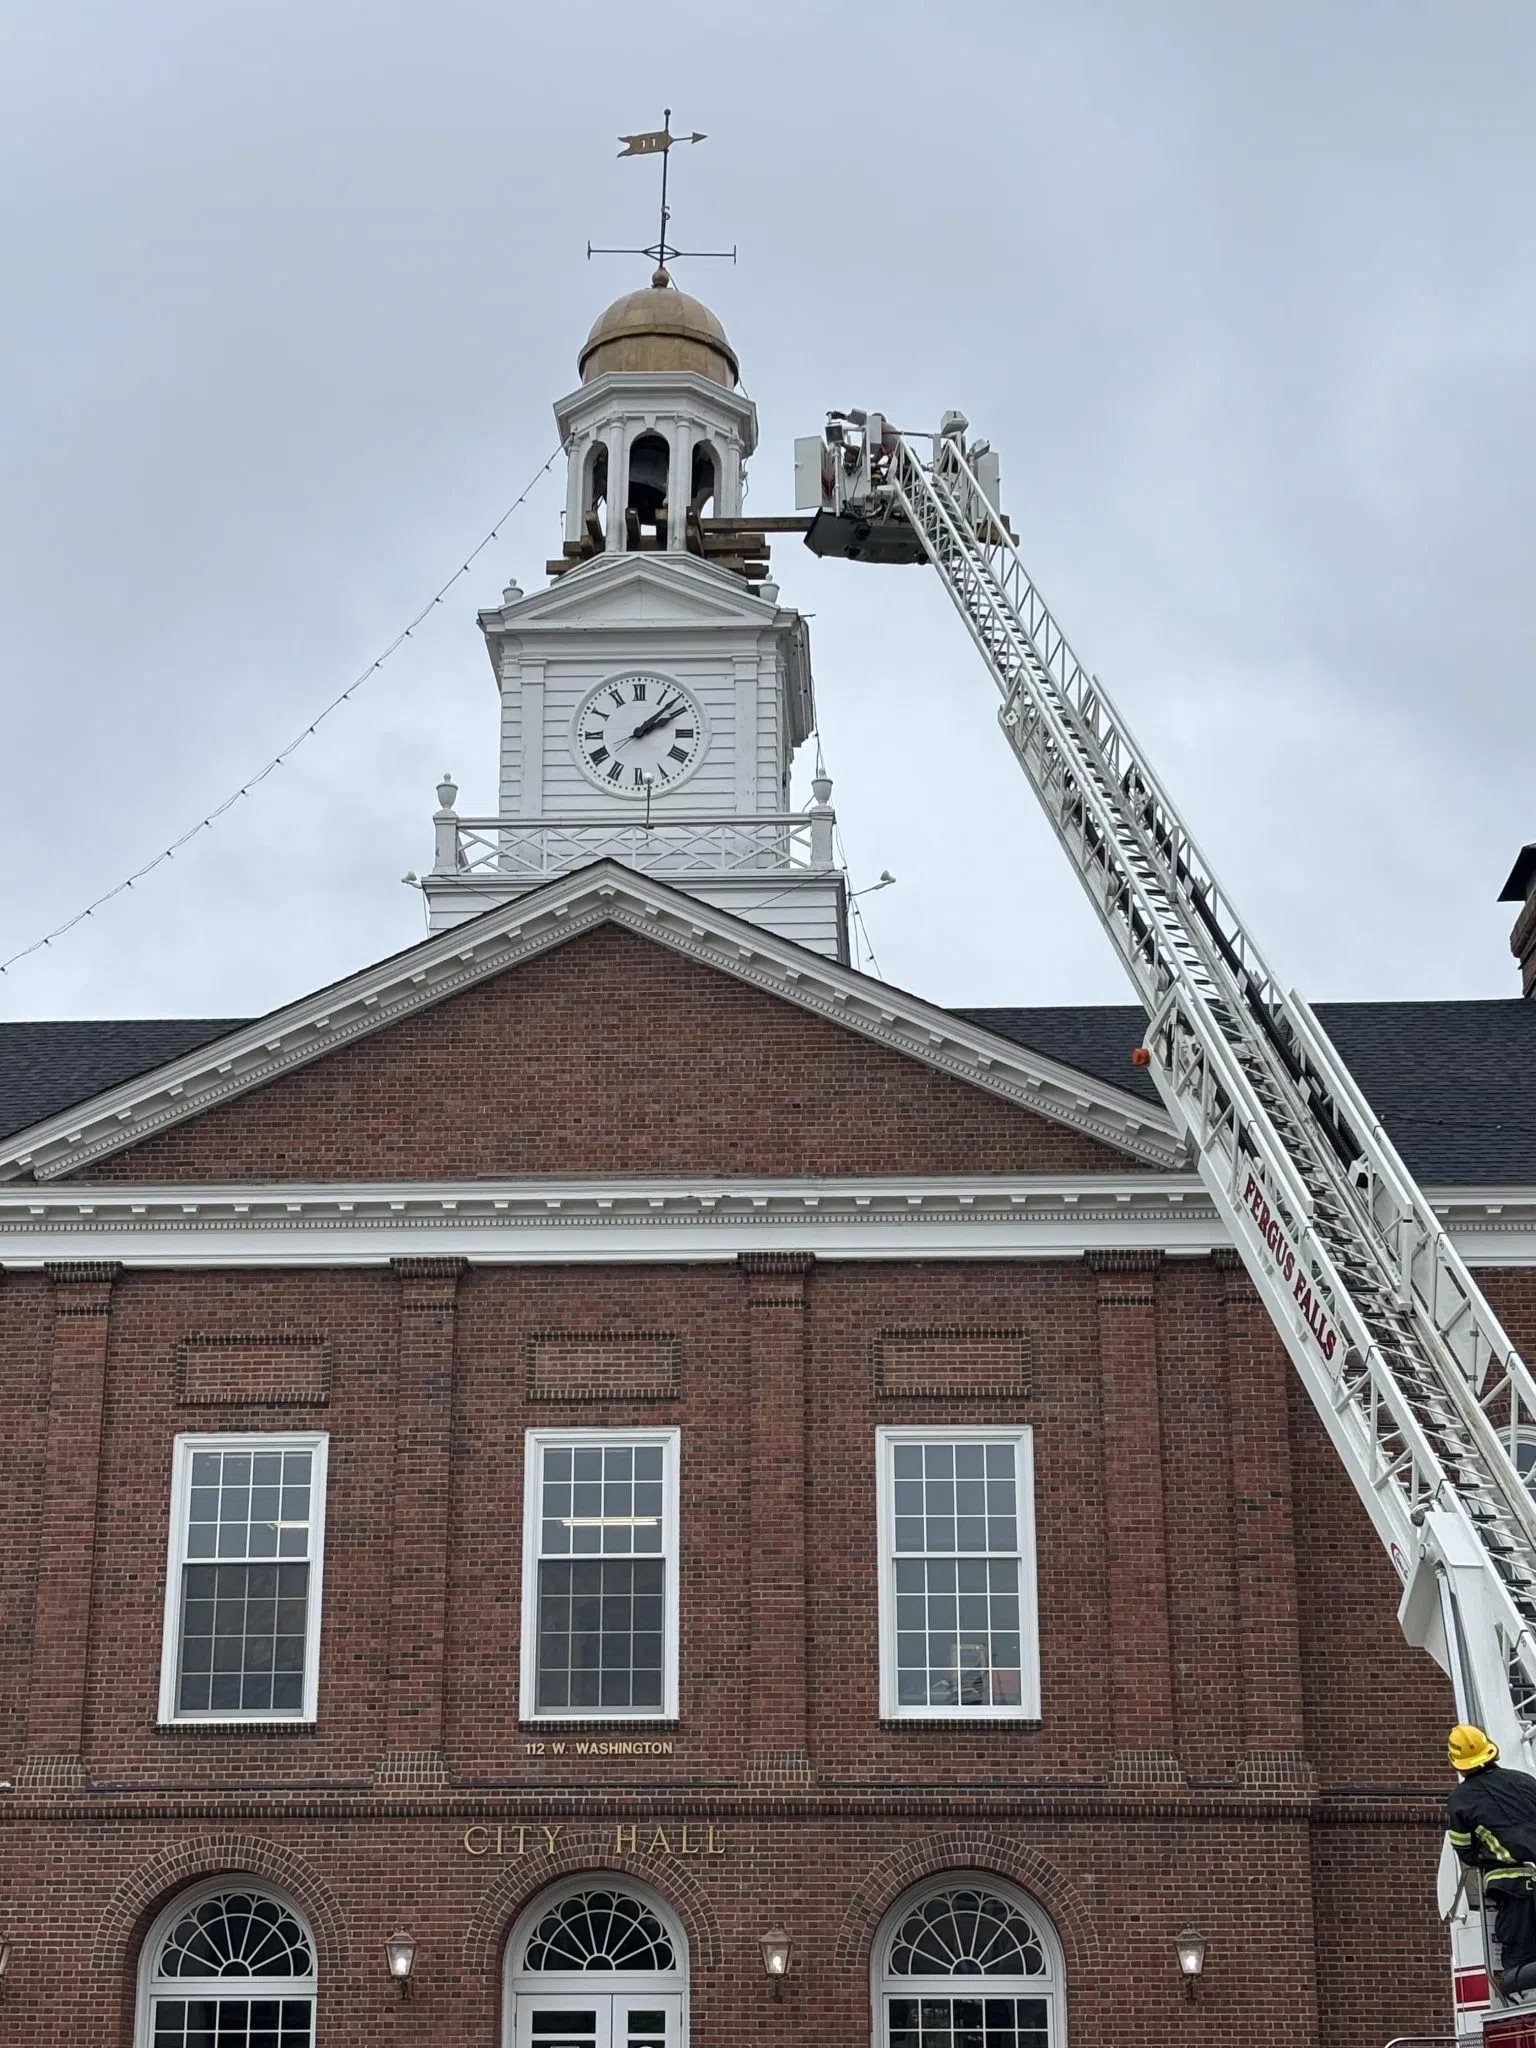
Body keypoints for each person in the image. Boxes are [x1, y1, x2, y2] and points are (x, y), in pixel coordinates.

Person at [1447, 1724, 1536, 1993]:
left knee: (1520, 1964)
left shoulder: (1460, 1800)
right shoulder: (1526, 1781)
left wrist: (1486, 1858)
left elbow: (1465, 1851)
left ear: (1457, 1763)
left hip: (1512, 1886)